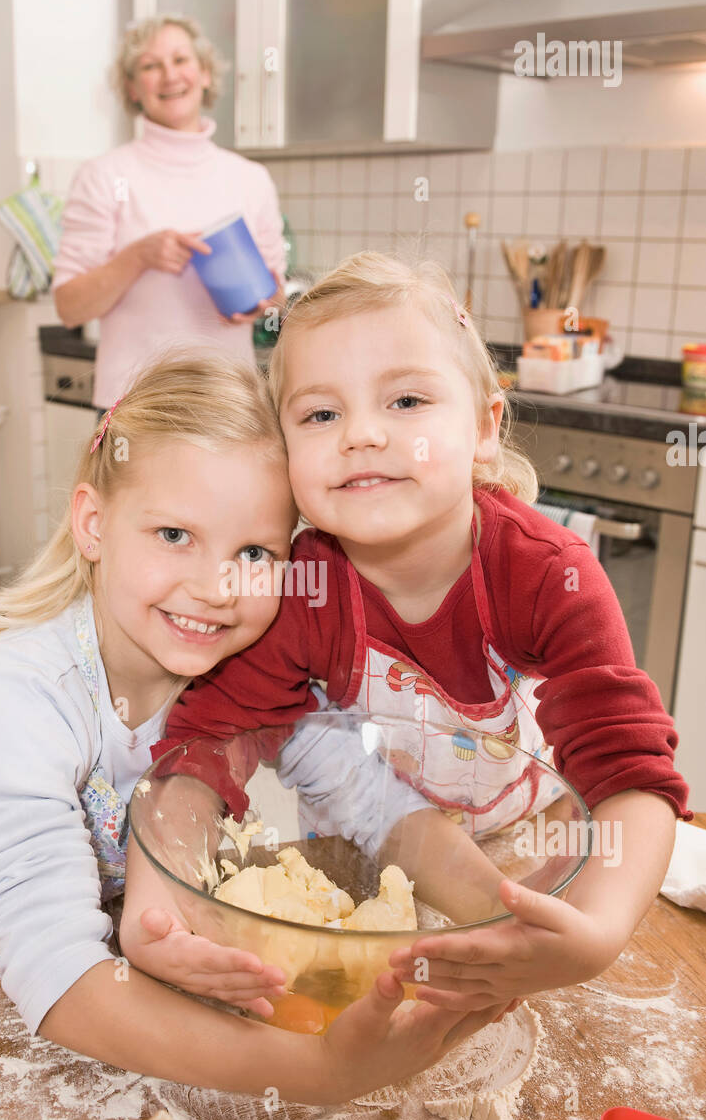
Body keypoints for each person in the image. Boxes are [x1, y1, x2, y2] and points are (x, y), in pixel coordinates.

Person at [0, 350, 515, 1104]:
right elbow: (53, 971)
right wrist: (317, 1074)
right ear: (93, 524)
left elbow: (374, 802)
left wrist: (503, 920)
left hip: (147, 941)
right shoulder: (22, 695)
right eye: (172, 535)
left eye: (254, 552)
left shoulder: (250, 668)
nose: (214, 588)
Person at [143, 252, 691, 1013]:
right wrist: (159, 902)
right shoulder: (305, 586)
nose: (361, 434)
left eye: (404, 400)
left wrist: (596, 928)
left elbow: (627, 774)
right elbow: (204, 742)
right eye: (320, 414)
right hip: (356, 871)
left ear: (483, 429)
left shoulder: (543, 575)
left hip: (520, 858)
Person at [52, 15, 286, 415]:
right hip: (135, 407)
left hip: (228, 403)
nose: (169, 75)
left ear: (205, 73)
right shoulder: (103, 176)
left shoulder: (251, 178)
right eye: (150, 66)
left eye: (181, 60)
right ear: (132, 87)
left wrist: (259, 304)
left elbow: (275, 296)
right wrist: (138, 256)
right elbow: (70, 307)